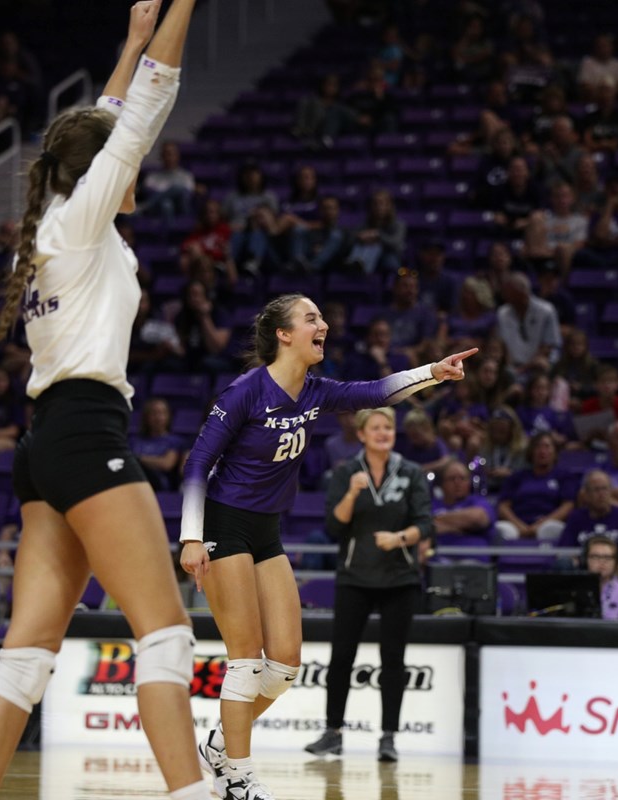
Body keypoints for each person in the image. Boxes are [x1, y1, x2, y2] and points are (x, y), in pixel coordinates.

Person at [0, 5, 211, 800]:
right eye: (123, 164)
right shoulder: (87, 224)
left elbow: (100, 123)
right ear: (101, 173)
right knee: (165, 637)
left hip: (45, 446)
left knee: (25, 653)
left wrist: (130, 41)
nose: (137, 171)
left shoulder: (59, 224)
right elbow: (146, 107)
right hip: (88, 434)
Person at [178, 294, 473, 799]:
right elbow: (196, 465)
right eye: (311, 318)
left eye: (322, 317)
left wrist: (433, 372)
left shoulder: (315, 391)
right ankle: (236, 777)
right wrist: (189, 537)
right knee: (246, 660)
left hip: (266, 529)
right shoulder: (244, 392)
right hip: (223, 524)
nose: (325, 325)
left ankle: (223, 741)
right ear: (284, 335)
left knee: (285, 665)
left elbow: (378, 391)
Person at [304, 407, 433, 762]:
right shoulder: (345, 472)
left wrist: (400, 538)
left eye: (387, 427)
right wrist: (350, 494)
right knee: (341, 657)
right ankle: (333, 733)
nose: (382, 432)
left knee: (393, 659)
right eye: (375, 427)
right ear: (361, 435)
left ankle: (388, 737)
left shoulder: (410, 473)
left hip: (400, 579)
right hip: (354, 577)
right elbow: (333, 526)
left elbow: (426, 523)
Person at [495, 434, 576, 542]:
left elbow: (568, 505)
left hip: (549, 523)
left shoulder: (564, 476)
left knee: (551, 529)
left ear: (555, 452)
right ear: (531, 452)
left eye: (547, 447)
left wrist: (541, 524)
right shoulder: (517, 477)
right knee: (499, 529)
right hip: (518, 524)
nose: (542, 451)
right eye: (538, 447)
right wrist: (520, 526)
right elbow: (503, 506)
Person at [557, 470, 618, 563]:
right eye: (596, 489)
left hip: (617, 572)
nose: (601, 494)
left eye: (605, 489)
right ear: (586, 494)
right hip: (583, 573)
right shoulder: (576, 517)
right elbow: (565, 551)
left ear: (611, 491)